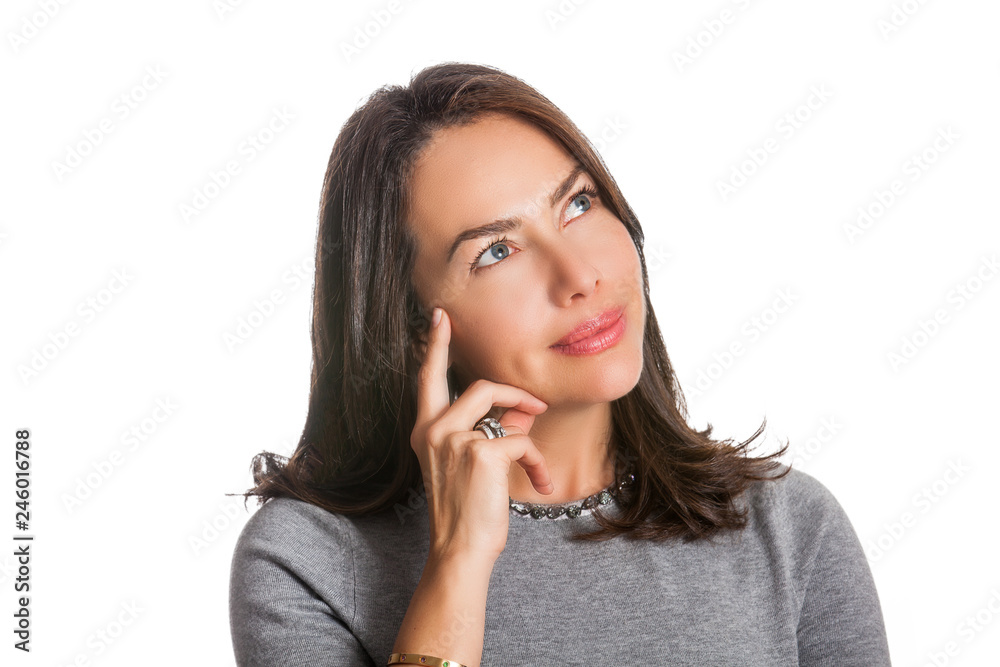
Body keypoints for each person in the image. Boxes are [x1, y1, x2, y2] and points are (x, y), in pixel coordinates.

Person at [228, 62, 891, 666]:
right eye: (496, 251)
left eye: (578, 203)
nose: (579, 275)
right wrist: (458, 562)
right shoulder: (306, 561)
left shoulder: (791, 527)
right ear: (408, 326)